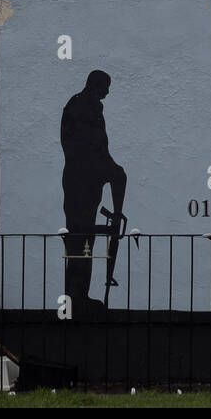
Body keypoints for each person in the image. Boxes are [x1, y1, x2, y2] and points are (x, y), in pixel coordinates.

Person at [60, 70, 127, 309]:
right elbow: (89, 146)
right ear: (95, 85)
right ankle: (75, 298)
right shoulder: (82, 107)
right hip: (81, 179)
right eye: (105, 87)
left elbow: (99, 147)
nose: (107, 92)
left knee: (84, 239)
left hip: (87, 177)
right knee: (80, 239)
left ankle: (79, 296)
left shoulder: (89, 106)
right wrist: (109, 169)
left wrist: (109, 169)